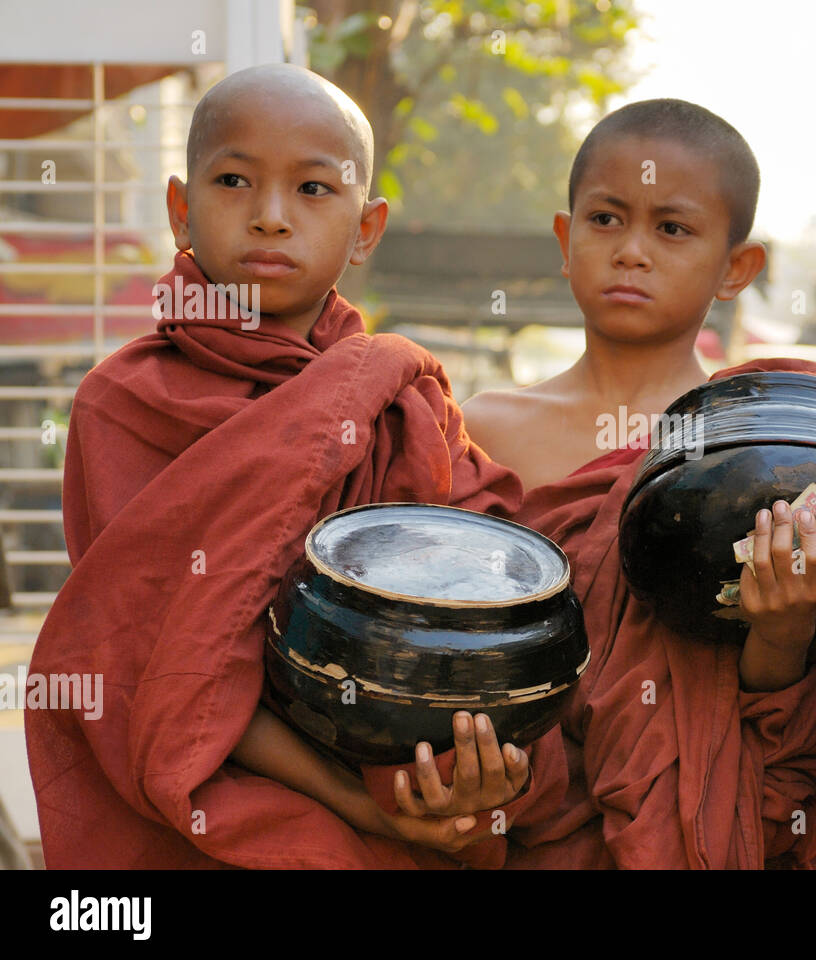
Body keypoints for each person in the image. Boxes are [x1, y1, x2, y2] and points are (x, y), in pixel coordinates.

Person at [25, 64, 548, 869]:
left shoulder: (399, 401)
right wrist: (354, 810)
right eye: (234, 180)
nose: (270, 217)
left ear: (366, 229)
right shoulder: (124, 402)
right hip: (207, 805)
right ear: (181, 209)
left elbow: (474, 622)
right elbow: (147, 657)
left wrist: (456, 776)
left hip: (392, 787)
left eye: (313, 189)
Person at [462, 99, 816, 867]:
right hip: (515, 819)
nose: (632, 251)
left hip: (698, 821)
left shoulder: (770, 453)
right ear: (565, 236)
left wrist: (782, 630)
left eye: (672, 229)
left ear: (736, 268)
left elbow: (807, 718)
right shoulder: (483, 428)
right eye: (606, 219)